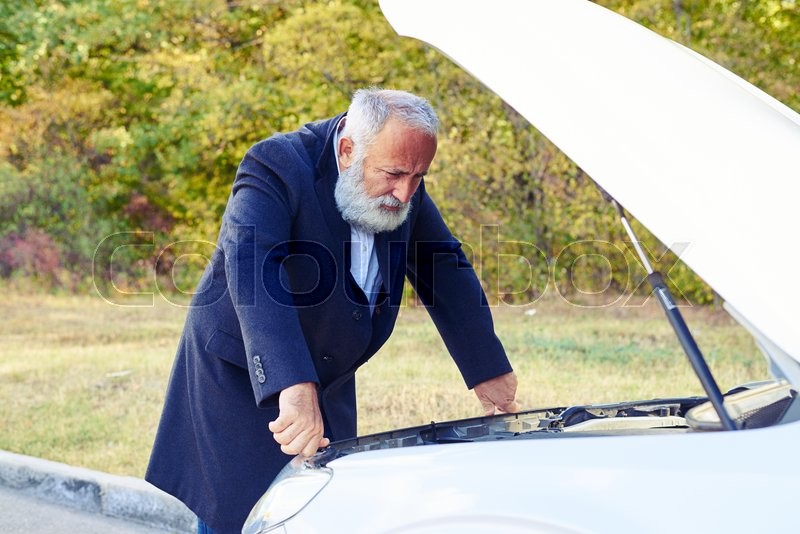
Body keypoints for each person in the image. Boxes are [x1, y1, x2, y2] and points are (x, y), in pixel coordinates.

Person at [145, 88, 520, 533]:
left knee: (318, 512)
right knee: (245, 516)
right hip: (244, 376)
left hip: (328, 377)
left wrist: (488, 369)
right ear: (347, 150)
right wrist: (293, 384)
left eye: (419, 177)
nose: (406, 193)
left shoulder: (399, 174)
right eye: (395, 174)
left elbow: (445, 268)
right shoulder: (276, 165)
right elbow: (253, 270)